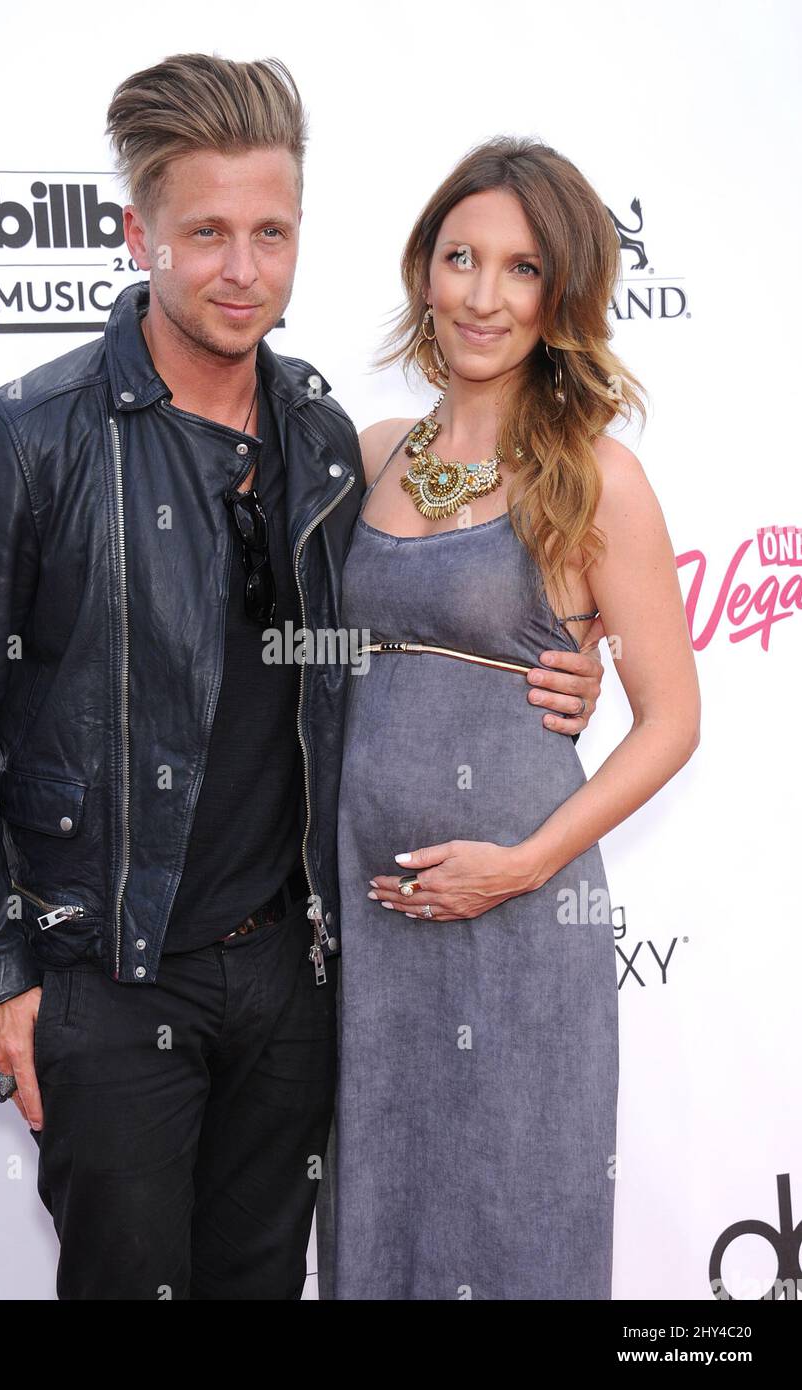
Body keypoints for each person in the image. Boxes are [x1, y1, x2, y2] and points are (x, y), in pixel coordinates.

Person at [0, 58, 604, 1300]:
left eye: (270, 233)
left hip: (289, 975)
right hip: (110, 979)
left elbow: (346, 645)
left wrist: (543, 665)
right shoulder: (26, 437)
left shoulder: (323, 437)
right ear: (138, 236)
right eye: (206, 233)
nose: (242, 268)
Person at [315, 136, 701, 1300]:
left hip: (522, 915)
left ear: (561, 292)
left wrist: (524, 865)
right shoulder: (376, 454)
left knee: (516, 1204)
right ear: (422, 272)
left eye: (520, 268)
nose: (483, 295)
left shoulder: (594, 477)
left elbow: (672, 718)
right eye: (460, 258)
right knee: (380, 1205)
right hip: (371, 926)